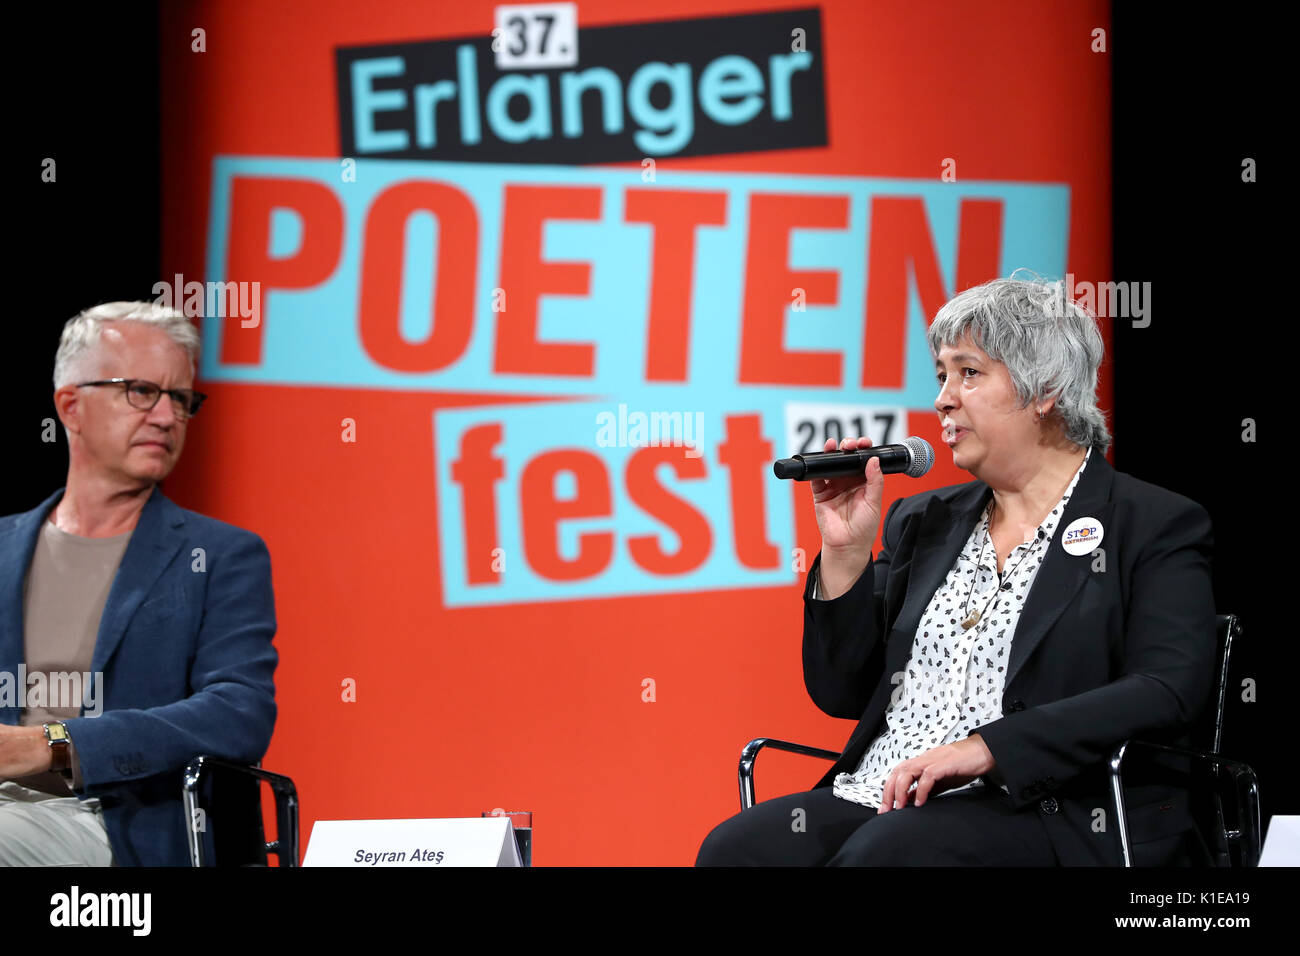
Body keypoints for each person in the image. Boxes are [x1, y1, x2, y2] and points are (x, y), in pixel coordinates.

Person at [696, 273, 1216, 866]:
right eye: (942, 375)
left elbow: (1168, 689)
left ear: (1043, 388)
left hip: (1049, 804)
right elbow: (842, 693)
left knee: (886, 858)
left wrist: (989, 748)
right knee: (738, 850)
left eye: (968, 373)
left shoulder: (1149, 523)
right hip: (888, 792)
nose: (943, 398)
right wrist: (844, 554)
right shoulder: (923, 521)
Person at [0, 301, 277, 866]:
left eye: (180, 399)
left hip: (115, 822)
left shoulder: (221, 555)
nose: (166, 416)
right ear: (70, 406)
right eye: (141, 391)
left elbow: (238, 712)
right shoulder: (4, 547)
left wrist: (56, 744)